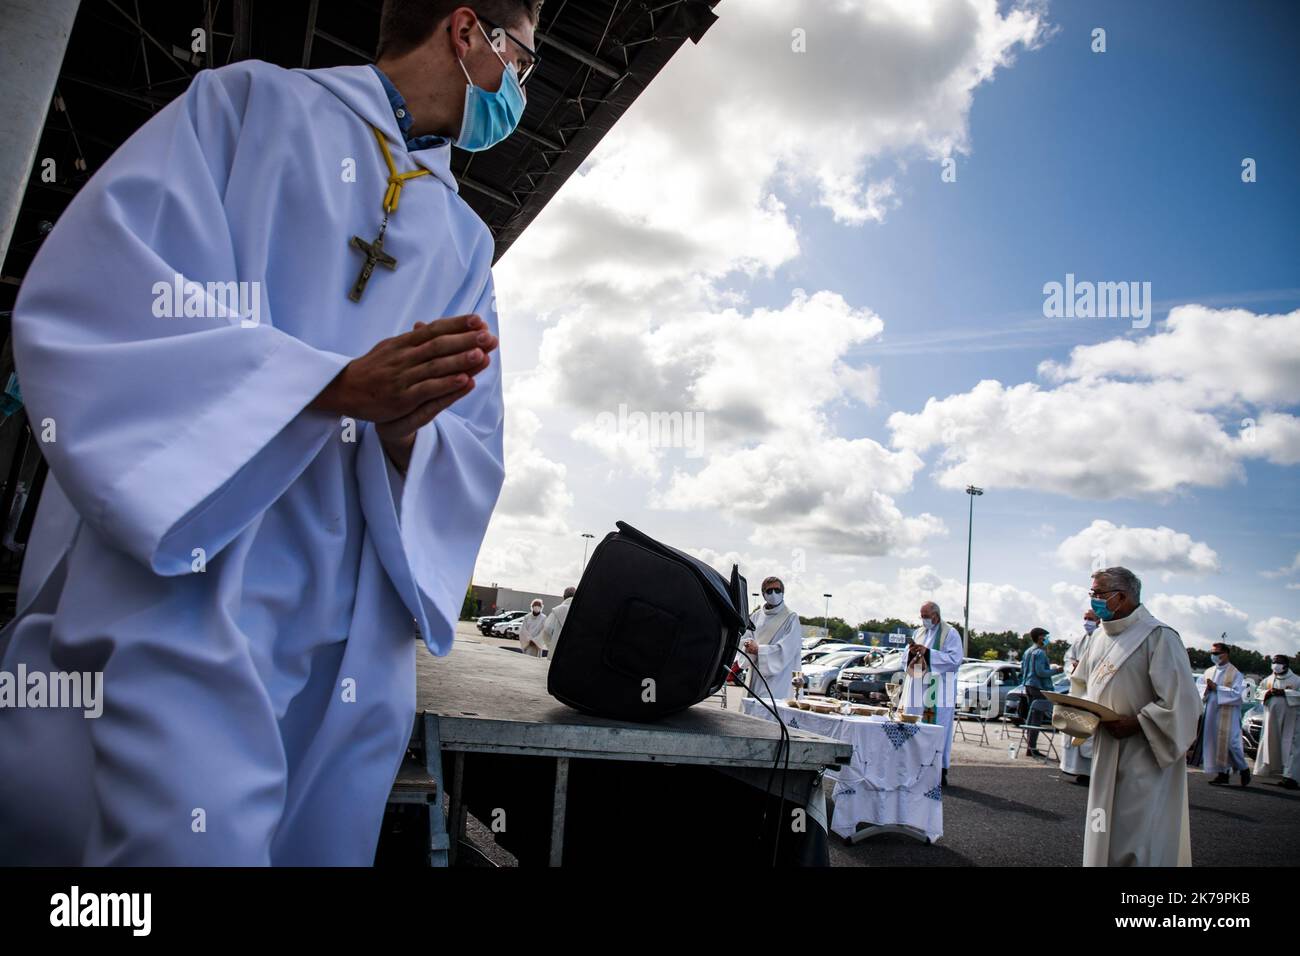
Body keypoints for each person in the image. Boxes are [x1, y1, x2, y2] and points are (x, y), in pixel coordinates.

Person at [0, 0, 543, 865]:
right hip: (194, 580)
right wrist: (329, 383)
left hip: (351, 625)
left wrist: (410, 435)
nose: (521, 88)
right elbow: (98, 296)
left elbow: (473, 441)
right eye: (522, 57)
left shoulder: (466, 241)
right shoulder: (247, 108)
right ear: (467, 29)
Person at [1073, 567, 1200, 866]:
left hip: (1144, 752)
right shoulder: (1099, 638)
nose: (1094, 601)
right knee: (1102, 826)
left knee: (1137, 836)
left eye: (1099, 594)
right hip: (1107, 748)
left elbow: (1182, 702)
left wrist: (1137, 722)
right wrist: (1079, 712)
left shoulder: (1159, 636)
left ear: (1122, 596)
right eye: (1092, 593)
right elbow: (1081, 684)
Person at [901, 601, 963, 785]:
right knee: (913, 721)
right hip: (918, 685)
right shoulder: (919, 632)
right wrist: (912, 652)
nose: (923, 620)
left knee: (937, 726)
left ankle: (938, 770)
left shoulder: (950, 633)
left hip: (939, 688)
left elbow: (954, 660)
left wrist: (928, 653)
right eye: (921, 616)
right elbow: (904, 658)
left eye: (926, 616)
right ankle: (913, 765)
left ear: (936, 615)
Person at [738, 577, 801, 710]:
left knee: (772, 714)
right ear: (763, 594)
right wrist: (747, 644)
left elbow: (787, 649)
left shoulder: (791, 618)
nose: (774, 594)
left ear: (783, 592)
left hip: (778, 679)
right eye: (769, 590)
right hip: (755, 676)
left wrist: (758, 650)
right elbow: (745, 638)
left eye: (777, 590)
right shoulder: (756, 616)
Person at [1198, 641, 1251, 787]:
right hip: (1211, 711)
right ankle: (1222, 774)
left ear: (1226, 654)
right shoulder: (1208, 671)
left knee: (1231, 743)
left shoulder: (1235, 673)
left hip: (1229, 713)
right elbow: (1199, 688)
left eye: (1216, 653)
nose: (1213, 656)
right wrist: (1207, 689)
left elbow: (1239, 695)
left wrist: (1218, 688)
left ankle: (1244, 769)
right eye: (1212, 653)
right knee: (1215, 742)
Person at [1059, 609, 1098, 782]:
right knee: (1072, 729)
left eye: (1090, 618)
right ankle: (1073, 768)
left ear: (1098, 620)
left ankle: (1089, 772)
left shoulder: (1102, 639)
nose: (1087, 622)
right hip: (1077, 690)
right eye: (1085, 618)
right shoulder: (1079, 640)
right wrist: (1073, 667)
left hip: (1091, 691)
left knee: (1087, 734)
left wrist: (1084, 668)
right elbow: (1068, 659)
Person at [1253, 654, 1299, 788]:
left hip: (1291, 719)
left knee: (1290, 746)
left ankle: (1290, 777)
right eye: (1273, 662)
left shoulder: (1297, 680)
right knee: (1269, 742)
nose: (1275, 664)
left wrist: (1285, 693)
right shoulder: (1268, 679)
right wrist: (1267, 693)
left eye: (1278, 662)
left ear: (1286, 665)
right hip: (1270, 718)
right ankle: (1267, 771)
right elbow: (1258, 692)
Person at [1019, 627, 1056, 757]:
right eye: (1046, 636)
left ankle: (1030, 746)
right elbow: (1041, 672)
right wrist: (1056, 671)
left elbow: (1023, 669)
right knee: (1037, 717)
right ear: (1040, 637)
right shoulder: (1040, 653)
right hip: (1038, 686)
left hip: (1028, 685)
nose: (1047, 639)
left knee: (1031, 715)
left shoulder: (1028, 651)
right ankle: (1032, 748)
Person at [542, 586, 575, 656]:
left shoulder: (557, 610)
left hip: (556, 654)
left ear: (564, 596)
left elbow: (547, 630)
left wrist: (552, 647)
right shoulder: (582, 612)